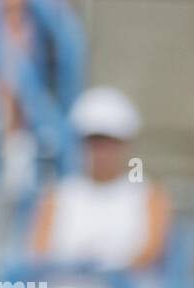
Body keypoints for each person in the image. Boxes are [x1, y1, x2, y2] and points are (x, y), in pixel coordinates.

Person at [30, 86, 172, 271]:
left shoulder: (149, 196)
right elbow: (39, 254)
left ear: (125, 144)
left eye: (108, 141)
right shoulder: (57, 197)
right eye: (93, 141)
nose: (101, 151)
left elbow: (152, 253)